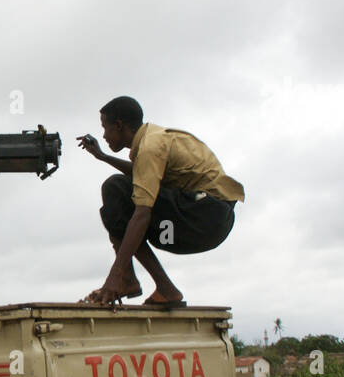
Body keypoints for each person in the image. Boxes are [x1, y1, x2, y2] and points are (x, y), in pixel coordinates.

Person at [78, 96, 244, 307]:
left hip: (203, 216)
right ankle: (165, 289)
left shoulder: (150, 146)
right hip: (204, 225)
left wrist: (114, 276)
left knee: (117, 191)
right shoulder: (152, 141)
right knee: (123, 203)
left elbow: (142, 213)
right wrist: (102, 157)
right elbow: (141, 176)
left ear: (119, 126)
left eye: (105, 128)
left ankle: (126, 279)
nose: (104, 135)